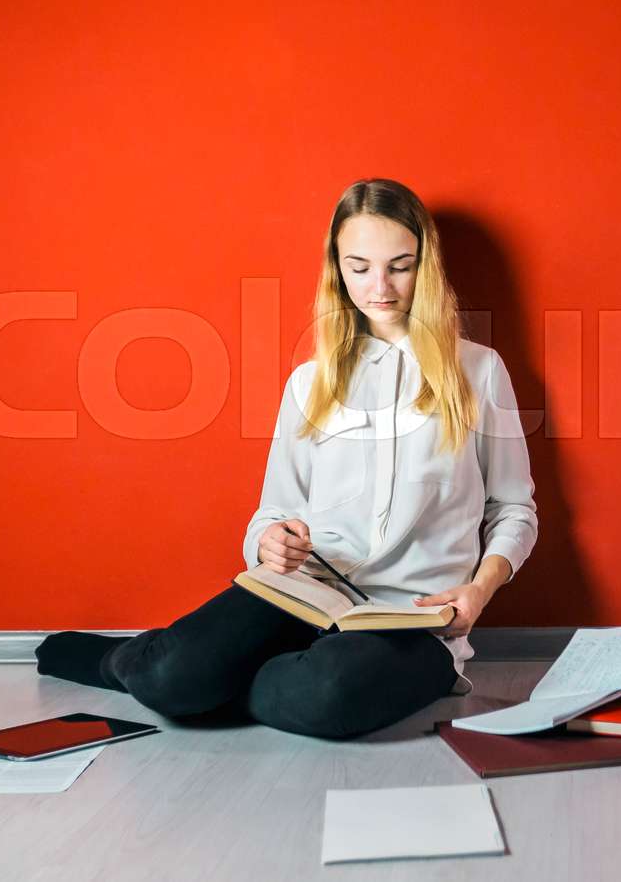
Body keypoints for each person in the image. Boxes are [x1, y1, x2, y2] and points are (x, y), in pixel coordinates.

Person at [34, 178, 539, 739]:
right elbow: (270, 515)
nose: (381, 287)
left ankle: (212, 677)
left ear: (427, 266)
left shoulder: (479, 371)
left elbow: (514, 509)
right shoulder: (309, 383)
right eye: (360, 266)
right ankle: (149, 664)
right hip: (305, 593)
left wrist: (479, 589)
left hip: (414, 623)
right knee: (171, 677)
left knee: (328, 698)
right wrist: (269, 541)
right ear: (337, 270)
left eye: (401, 265)